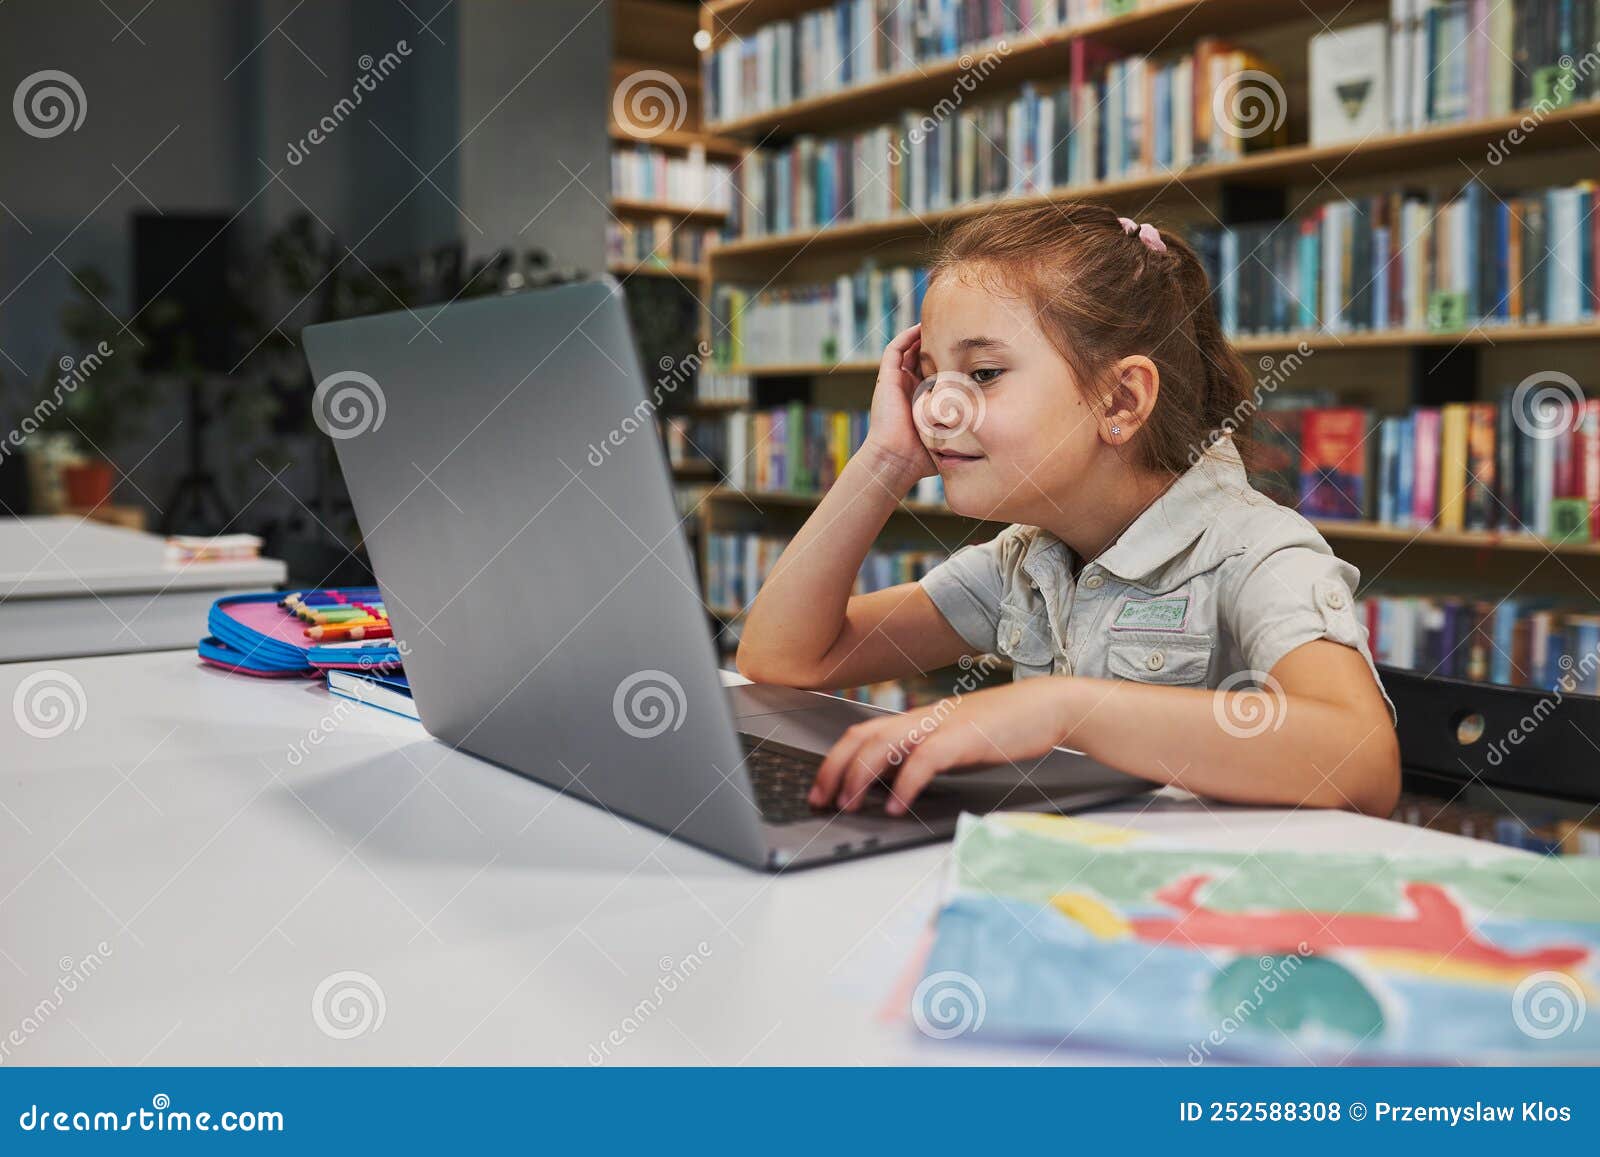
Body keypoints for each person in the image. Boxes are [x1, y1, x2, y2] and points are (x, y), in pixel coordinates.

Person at [735, 202, 1399, 818]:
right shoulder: (1025, 560)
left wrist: (1061, 710)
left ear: (1119, 401)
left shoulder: (1255, 549)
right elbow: (787, 657)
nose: (937, 407)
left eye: (984, 374)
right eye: (929, 376)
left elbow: (1364, 759)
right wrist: (885, 457)